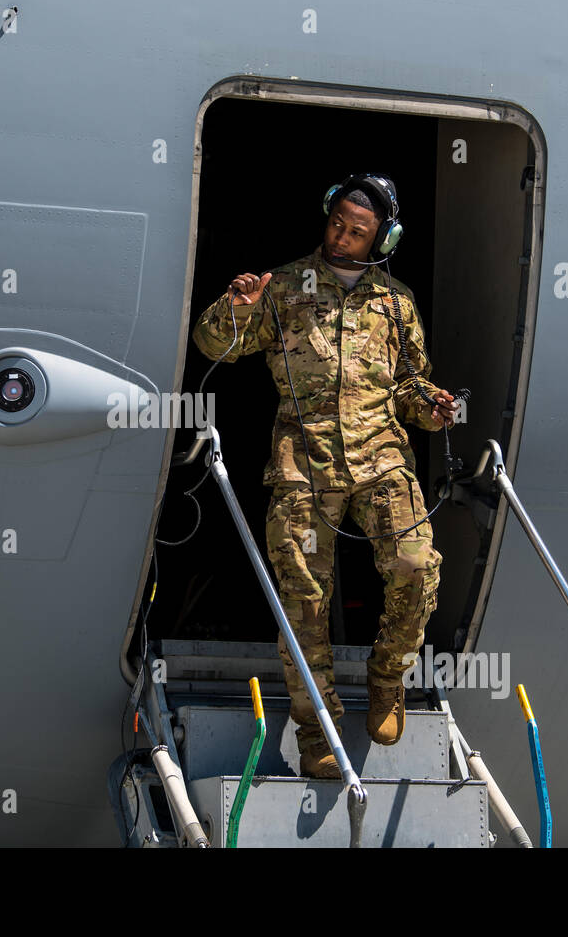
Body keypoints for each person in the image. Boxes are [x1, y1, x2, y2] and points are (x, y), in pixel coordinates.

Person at [190, 175, 457, 778]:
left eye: (358, 232)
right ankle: (318, 732)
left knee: (416, 568)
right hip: (303, 463)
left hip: (382, 459)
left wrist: (433, 407)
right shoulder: (283, 287)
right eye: (336, 222)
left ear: (381, 240)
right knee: (304, 602)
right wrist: (232, 308)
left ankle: (387, 679)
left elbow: (411, 385)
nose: (341, 236)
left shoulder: (396, 302)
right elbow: (215, 347)